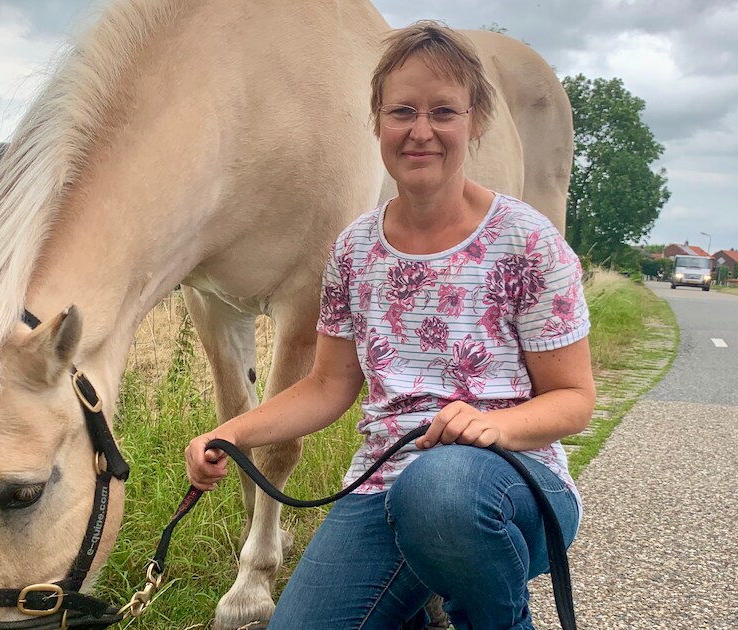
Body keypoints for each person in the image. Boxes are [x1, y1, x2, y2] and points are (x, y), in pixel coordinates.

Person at [185, 20, 594, 630]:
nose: (421, 130)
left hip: (512, 488)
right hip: (384, 489)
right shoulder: (354, 251)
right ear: (376, 121)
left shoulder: (528, 242)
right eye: (401, 110)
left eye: (443, 111)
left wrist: (491, 424)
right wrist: (233, 434)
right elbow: (327, 385)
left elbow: (574, 400)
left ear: (475, 122)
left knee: (441, 488)